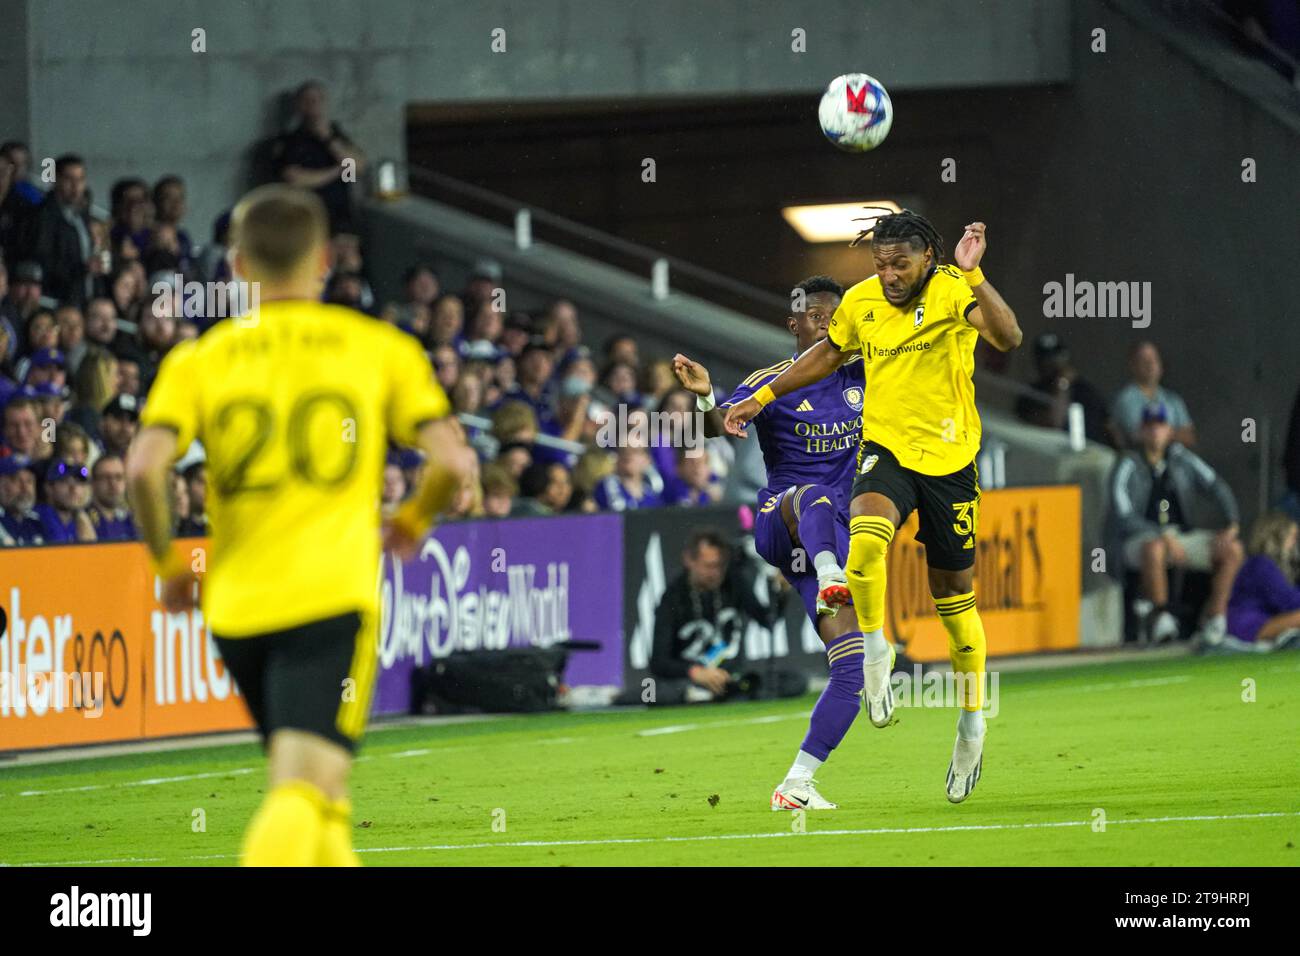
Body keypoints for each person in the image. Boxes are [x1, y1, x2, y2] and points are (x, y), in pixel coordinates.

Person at [125, 184, 473, 867]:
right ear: (322, 262)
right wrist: (411, 520)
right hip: (329, 600)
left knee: (325, 789)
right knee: (299, 787)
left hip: (238, 609)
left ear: (237, 267)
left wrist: (167, 564)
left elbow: (142, 469)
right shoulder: (377, 347)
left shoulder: (200, 359)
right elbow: (453, 461)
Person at [724, 210, 1022, 804]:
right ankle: (877, 646)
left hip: (950, 463)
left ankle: (970, 723)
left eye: (899, 263)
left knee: (955, 605)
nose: (887, 275)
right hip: (885, 450)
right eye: (880, 264)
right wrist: (760, 397)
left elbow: (1006, 337)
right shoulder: (859, 301)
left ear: (927, 258)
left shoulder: (949, 289)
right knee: (863, 544)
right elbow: (826, 357)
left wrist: (976, 275)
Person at [676, 274, 868, 810]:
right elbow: (718, 426)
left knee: (851, 667)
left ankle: (797, 783)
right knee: (817, 496)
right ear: (795, 323)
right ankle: (832, 575)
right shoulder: (772, 380)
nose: (830, 325)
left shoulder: (864, 376)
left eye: (837, 318)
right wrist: (704, 398)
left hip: (829, 540)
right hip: (780, 520)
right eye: (819, 317)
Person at [1106, 402, 1242, 643]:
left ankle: (1215, 619)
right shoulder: (1128, 463)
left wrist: (1231, 522)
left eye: (1161, 425)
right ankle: (1161, 618)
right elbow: (1122, 515)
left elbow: (1216, 486)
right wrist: (1161, 534)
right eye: (1150, 426)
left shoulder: (1182, 459)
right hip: (1138, 537)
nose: (1155, 431)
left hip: (1179, 535)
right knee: (1155, 547)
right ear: (1141, 431)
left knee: (1232, 550)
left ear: (1169, 430)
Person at [649, 528, 779, 703]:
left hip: (729, 677)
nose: (715, 573)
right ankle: (704, 694)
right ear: (689, 560)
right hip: (690, 679)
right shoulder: (673, 597)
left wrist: (781, 593)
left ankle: (719, 693)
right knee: (651, 691)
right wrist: (695, 672)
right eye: (709, 566)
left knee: (793, 681)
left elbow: (767, 620)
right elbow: (659, 662)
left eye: (720, 565)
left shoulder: (734, 582)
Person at [1014, 331, 1111, 445]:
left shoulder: (1086, 391)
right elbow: (1054, 422)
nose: (1052, 364)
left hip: (1086, 455)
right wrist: (1062, 385)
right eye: (1046, 359)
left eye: (1057, 357)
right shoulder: (1031, 392)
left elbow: (1108, 426)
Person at [1225, 512, 1300, 649]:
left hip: (1261, 622)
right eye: (1293, 537)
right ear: (1278, 537)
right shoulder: (1261, 564)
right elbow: (1289, 601)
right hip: (1247, 626)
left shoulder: (1264, 564)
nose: (1294, 544)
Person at [1109, 341, 1196, 448]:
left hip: (1175, 459)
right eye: (1144, 360)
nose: (1150, 364)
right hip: (1139, 460)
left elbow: (1189, 437)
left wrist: (1168, 434)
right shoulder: (1125, 399)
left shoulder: (1172, 399)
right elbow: (1139, 436)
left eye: (1154, 359)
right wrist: (1170, 433)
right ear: (1133, 365)